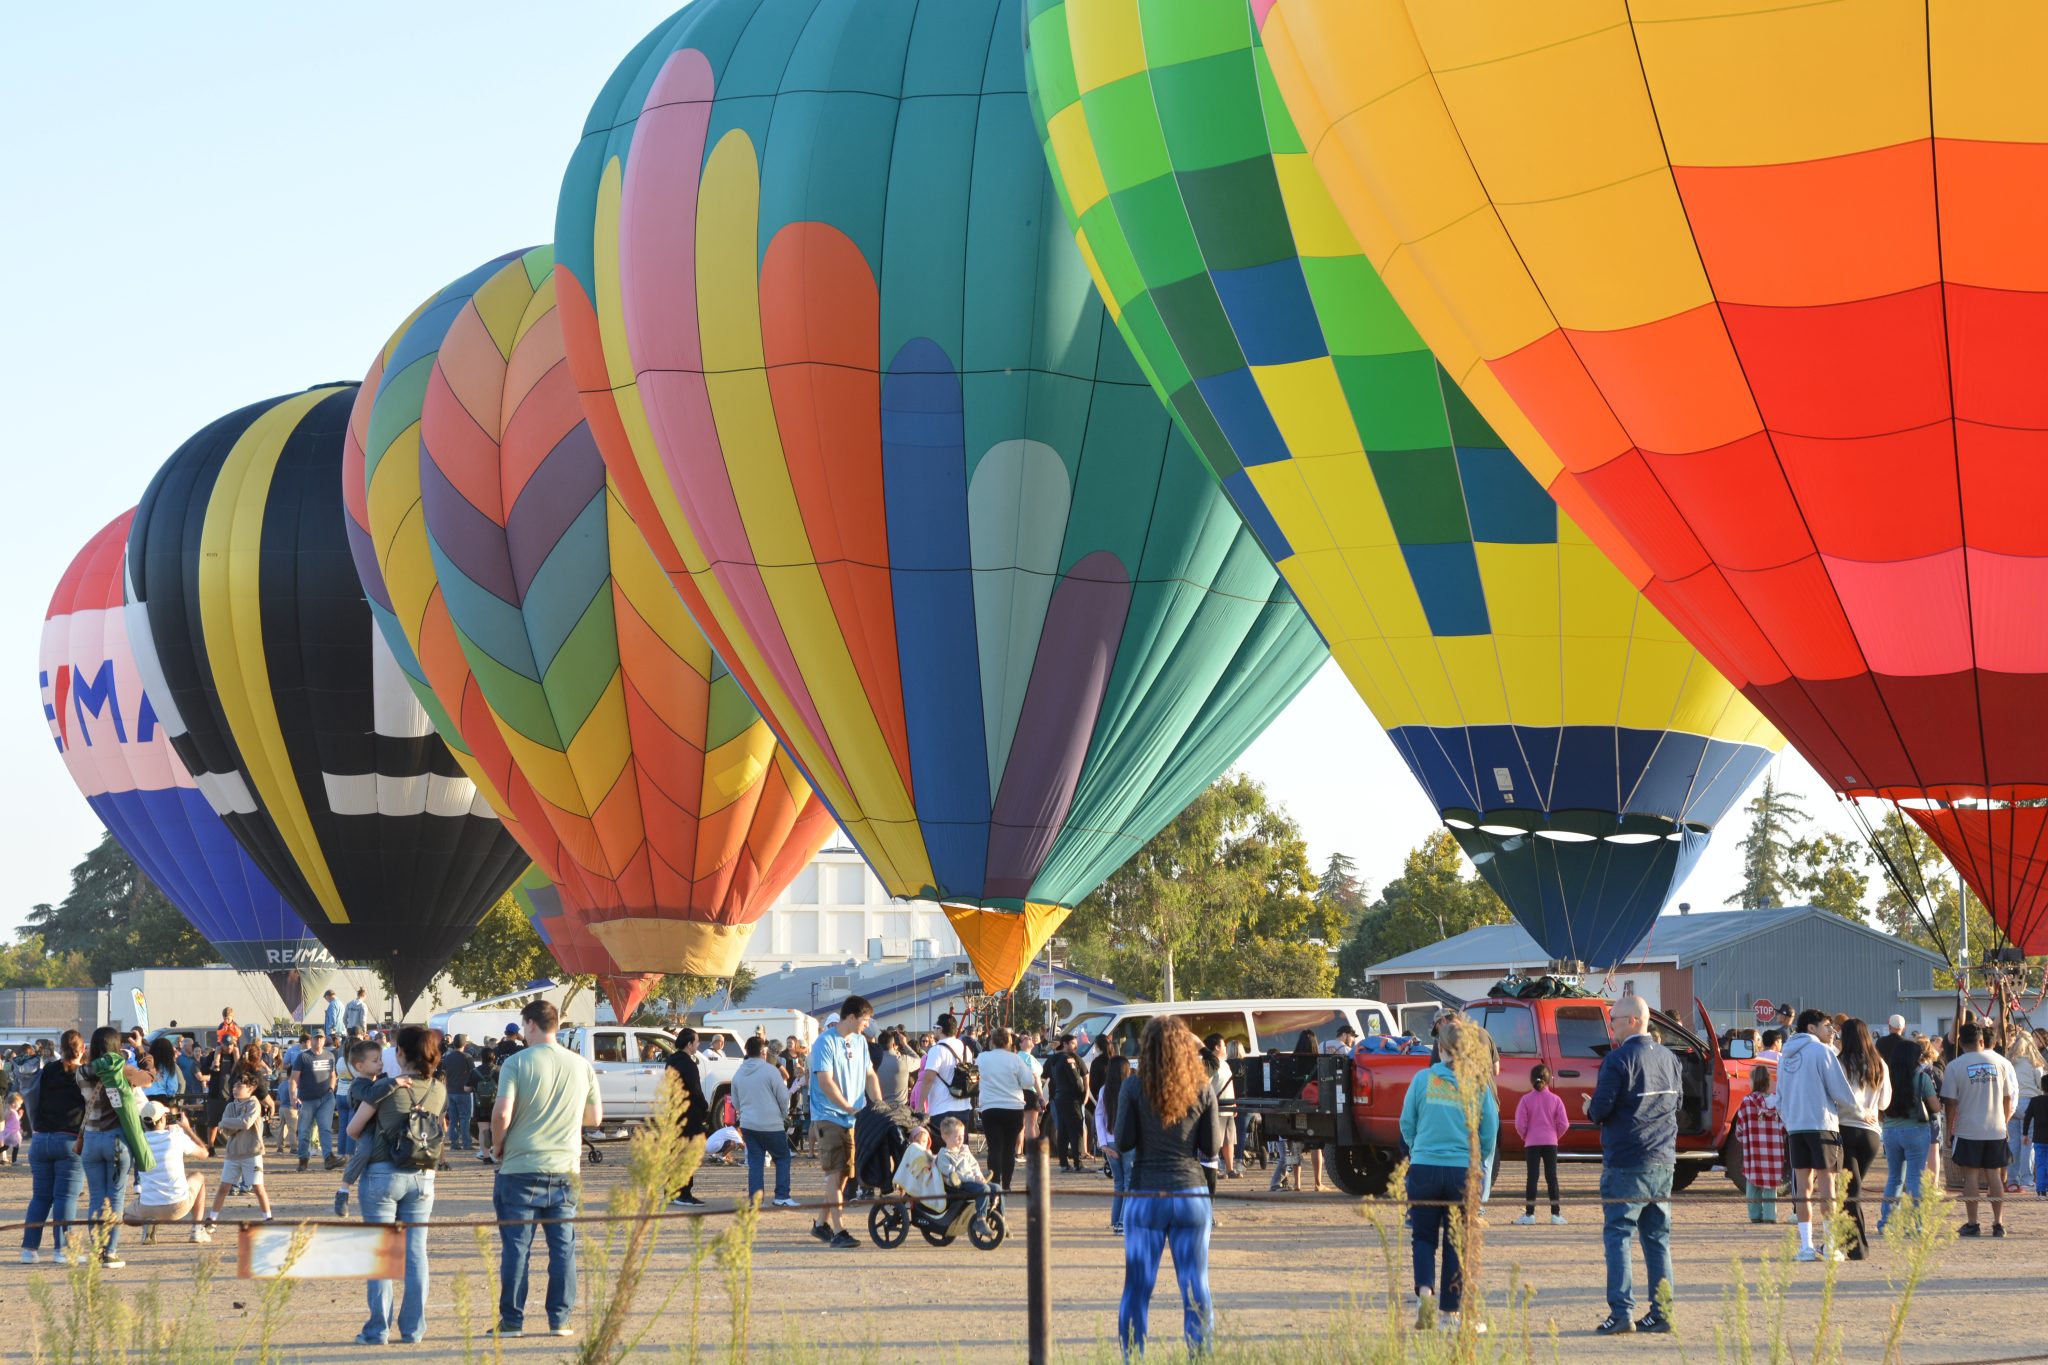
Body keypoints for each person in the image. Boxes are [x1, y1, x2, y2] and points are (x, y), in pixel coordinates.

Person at [492, 999, 600, 1338]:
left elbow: (501, 1114)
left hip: (520, 1167)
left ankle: (512, 1321)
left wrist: (497, 1145)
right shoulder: (582, 1065)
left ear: (531, 1024)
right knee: (563, 1248)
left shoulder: (516, 1063)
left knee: (516, 1248)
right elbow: (595, 1119)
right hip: (566, 1168)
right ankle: (560, 1319)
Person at [1115, 1016, 1222, 1356]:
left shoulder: (1133, 1086)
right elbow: (1212, 1148)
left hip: (1146, 1194)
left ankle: (1133, 1358)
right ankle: (1200, 1358)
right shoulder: (1202, 1087)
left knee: (1137, 1288)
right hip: (1191, 1194)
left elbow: (1123, 1141)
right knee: (1196, 1287)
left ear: (1146, 1048)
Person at [347, 1025, 447, 1346]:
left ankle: (378, 1330)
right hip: (422, 1176)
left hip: (381, 1174)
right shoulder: (438, 1090)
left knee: (382, 1254)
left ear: (400, 1053)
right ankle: (414, 1329)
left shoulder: (388, 1088)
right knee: (416, 1254)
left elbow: (353, 1128)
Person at [1586, 993, 1680, 1335]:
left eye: (1613, 1021)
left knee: (1619, 1235)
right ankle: (1662, 1312)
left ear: (1632, 1021)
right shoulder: (1671, 1059)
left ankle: (1622, 1312)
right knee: (1657, 1238)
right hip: (1663, 1159)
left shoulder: (1617, 1060)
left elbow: (1600, 1110)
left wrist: (1588, 1109)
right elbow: (1678, 1103)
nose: (1610, 1027)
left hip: (1627, 1159)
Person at [1399, 1016, 1499, 1334]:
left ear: (1440, 1048)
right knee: (1457, 1242)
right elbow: (1490, 1131)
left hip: (1424, 1169)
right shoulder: (1478, 1084)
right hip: (1462, 1172)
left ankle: (1425, 1294)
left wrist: (1418, 1150)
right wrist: (1477, 1160)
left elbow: (1406, 1122)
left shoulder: (1422, 1079)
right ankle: (1450, 1315)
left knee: (1423, 1237)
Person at [1778, 1008, 1856, 1262]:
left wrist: (1790, 1118)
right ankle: (1830, 1245)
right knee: (1827, 1187)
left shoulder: (1785, 1056)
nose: (1831, 1031)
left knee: (1803, 1186)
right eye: (1826, 1026)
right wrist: (1856, 1109)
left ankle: (1806, 1246)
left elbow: (1779, 1096)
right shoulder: (1821, 1052)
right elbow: (1840, 1091)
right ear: (1811, 1028)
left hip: (1795, 1126)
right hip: (1822, 1124)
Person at [807, 995, 882, 1249]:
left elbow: (870, 1075)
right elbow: (825, 1082)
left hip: (853, 1118)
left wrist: (879, 1105)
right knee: (834, 1172)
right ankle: (839, 1231)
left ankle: (820, 1225)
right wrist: (847, 1106)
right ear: (851, 1017)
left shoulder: (861, 1042)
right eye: (865, 1019)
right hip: (828, 1115)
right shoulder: (824, 1043)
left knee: (841, 1177)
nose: (867, 1025)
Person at [1943, 1022, 2019, 1238]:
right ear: (1982, 1040)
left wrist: (1950, 1130)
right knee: (1995, 1175)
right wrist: (2004, 1123)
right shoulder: (2001, 1062)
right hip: (1996, 1128)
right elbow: (2007, 1097)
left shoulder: (1955, 1066)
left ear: (1961, 1042)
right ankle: (1998, 1223)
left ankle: (1973, 1223)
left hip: (1968, 1129)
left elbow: (1950, 1102)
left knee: (1971, 1176)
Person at [20, 1029, 87, 1265]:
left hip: (40, 1140)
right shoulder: (83, 1074)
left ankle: (29, 1249)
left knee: (40, 1197)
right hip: (69, 1140)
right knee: (65, 1198)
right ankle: (63, 1250)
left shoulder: (49, 1070)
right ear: (82, 1049)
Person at [1835, 1017, 1890, 1258]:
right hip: (1871, 1134)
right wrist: (1870, 1110)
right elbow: (1885, 1101)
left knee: (1849, 1193)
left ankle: (1856, 1246)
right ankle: (1852, 1243)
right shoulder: (1880, 1064)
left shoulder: (1839, 1063)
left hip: (1845, 1128)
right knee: (1851, 1192)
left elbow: (1835, 1097)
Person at [333, 1040, 398, 1216]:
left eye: (380, 1060)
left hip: (383, 1128)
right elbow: (371, 1096)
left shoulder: (380, 1080)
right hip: (367, 1129)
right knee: (365, 1151)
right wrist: (394, 1083)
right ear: (360, 1066)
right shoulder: (358, 1085)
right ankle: (344, 1189)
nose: (381, 1064)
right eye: (375, 1061)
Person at [974, 1028, 1041, 1192]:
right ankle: (1007, 1184)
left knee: (994, 1148)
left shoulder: (982, 1058)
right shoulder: (1015, 1059)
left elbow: (974, 1075)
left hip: (991, 1107)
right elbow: (1027, 1081)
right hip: (1013, 1107)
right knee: (1009, 1148)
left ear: (992, 1041)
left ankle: (995, 1182)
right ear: (1010, 1042)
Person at [733, 1035, 797, 1207]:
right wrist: (784, 1114)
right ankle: (782, 1195)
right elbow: (783, 1097)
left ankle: (756, 1199)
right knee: (782, 1157)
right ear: (763, 1052)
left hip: (748, 1124)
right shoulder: (770, 1071)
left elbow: (735, 1102)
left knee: (755, 1162)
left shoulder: (739, 1073)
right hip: (771, 1124)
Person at [132, 1101, 210, 1241]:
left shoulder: (138, 1141)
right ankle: (197, 1230)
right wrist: (187, 1128)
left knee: (126, 1215)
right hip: (177, 1207)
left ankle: (149, 1222)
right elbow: (204, 1153)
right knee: (198, 1177)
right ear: (163, 1119)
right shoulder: (175, 1137)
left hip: (148, 1207)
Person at [208, 1073, 275, 1227]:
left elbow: (245, 1123)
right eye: (234, 1086)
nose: (234, 1089)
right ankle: (211, 1219)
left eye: (239, 1086)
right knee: (224, 1187)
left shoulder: (254, 1104)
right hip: (232, 1153)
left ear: (250, 1089)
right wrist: (229, 1124)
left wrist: (225, 1122)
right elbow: (226, 1131)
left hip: (252, 1152)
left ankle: (268, 1218)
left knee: (258, 1187)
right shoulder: (230, 1106)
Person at [1514, 1063, 1568, 1225]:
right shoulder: (1556, 1100)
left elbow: (1519, 1124)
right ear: (1549, 1080)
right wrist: (1554, 1135)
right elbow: (1564, 1124)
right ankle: (1556, 1215)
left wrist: (1525, 1136)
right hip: (1551, 1142)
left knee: (1532, 1177)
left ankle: (1529, 1214)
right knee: (1552, 1177)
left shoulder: (1525, 1100)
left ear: (1531, 1080)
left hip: (1531, 1142)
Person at [665, 1027, 713, 1208]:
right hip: (689, 1114)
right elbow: (695, 1090)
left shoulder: (671, 1060)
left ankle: (672, 1191)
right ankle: (684, 1193)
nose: (698, 1044)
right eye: (696, 1041)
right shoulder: (688, 1064)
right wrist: (705, 1106)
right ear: (689, 1043)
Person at [1734, 1066, 1787, 1224]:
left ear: (1753, 1082)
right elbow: (1785, 1126)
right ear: (1767, 1082)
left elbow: (1739, 1129)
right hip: (1774, 1152)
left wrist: (1744, 1139)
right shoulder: (1777, 1102)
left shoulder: (1747, 1102)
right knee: (1771, 1185)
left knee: (1753, 1183)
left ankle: (1755, 1215)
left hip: (1753, 1151)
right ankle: (1770, 1216)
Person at [933, 1114, 995, 1235]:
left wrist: (979, 1175)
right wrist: (974, 1179)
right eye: (957, 1136)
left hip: (972, 1180)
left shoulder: (964, 1150)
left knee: (996, 1188)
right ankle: (980, 1220)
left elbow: (974, 1164)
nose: (961, 1139)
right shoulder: (944, 1155)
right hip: (959, 1184)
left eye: (962, 1135)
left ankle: (999, 1219)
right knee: (984, 1189)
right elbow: (953, 1174)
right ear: (945, 1137)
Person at [291, 1029, 340, 1173]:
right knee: (304, 1130)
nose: (318, 1041)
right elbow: (294, 1078)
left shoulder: (330, 1055)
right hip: (307, 1100)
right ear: (311, 1040)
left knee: (325, 1128)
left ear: (325, 1040)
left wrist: (331, 1088)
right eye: (316, 1038)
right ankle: (303, 1159)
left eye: (321, 1038)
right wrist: (293, 1095)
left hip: (326, 1098)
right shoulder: (303, 1057)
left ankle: (328, 1158)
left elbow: (333, 1075)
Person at [915, 1013, 973, 1134]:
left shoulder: (937, 1050)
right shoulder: (965, 1048)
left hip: (942, 1108)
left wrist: (920, 1106)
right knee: (960, 1148)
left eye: (935, 1027)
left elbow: (929, 1078)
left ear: (940, 1029)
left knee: (943, 1149)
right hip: (964, 1107)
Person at [2004, 1030, 2045, 1194]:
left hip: (2012, 1104)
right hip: (2030, 1103)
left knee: (2013, 1143)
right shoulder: (2035, 1063)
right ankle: (2027, 1180)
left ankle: (2012, 1180)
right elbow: (2040, 1085)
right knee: (2028, 1143)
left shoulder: (2009, 1061)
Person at [1045, 1034, 1089, 1173]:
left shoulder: (1054, 1059)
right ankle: (1078, 1163)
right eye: (1073, 1043)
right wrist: (1082, 1094)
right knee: (1076, 1130)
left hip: (1059, 1098)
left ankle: (1063, 1163)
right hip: (1071, 1099)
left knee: (1063, 1131)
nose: (1075, 1046)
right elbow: (1076, 1080)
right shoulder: (1067, 1059)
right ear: (1064, 1044)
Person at [1099, 1055, 1133, 1233]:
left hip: (1110, 1141)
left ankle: (1116, 1221)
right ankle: (1122, 1223)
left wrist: (1103, 1143)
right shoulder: (1131, 1088)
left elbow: (1098, 1116)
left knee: (1119, 1183)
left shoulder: (1104, 1090)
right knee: (1128, 1182)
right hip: (1128, 1141)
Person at [441, 1035, 478, 1152]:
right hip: (463, 1091)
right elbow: (473, 1073)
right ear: (464, 1044)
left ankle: (454, 1143)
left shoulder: (447, 1057)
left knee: (452, 1119)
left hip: (450, 1091)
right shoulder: (467, 1057)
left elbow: (443, 1073)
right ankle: (466, 1143)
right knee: (464, 1118)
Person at [874, 1030, 913, 1110]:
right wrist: (905, 1044)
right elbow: (918, 1059)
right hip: (901, 1108)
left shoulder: (873, 1061)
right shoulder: (903, 1060)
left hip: (880, 1109)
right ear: (893, 1044)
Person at [2023, 1082, 2048, 1197]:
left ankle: (2041, 1191)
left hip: (2039, 1138)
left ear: (2042, 1087)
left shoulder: (2035, 1101)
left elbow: (2027, 1118)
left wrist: (2025, 1134)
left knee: (2040, 1164)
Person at [1, 1093, 21, 1166]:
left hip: (14, 1132)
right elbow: (5, 1116)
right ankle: (14, 1161)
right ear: (13, 1103)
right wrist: (8, 1109)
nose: (20, 1106)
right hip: (11, 1133)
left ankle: (14, 1161)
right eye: (19, 1104)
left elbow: (15, 1120)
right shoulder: (10, 1110)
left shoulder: (14, 1111)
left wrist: (19, 1116)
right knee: (15, 1146)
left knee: (7, 1146)